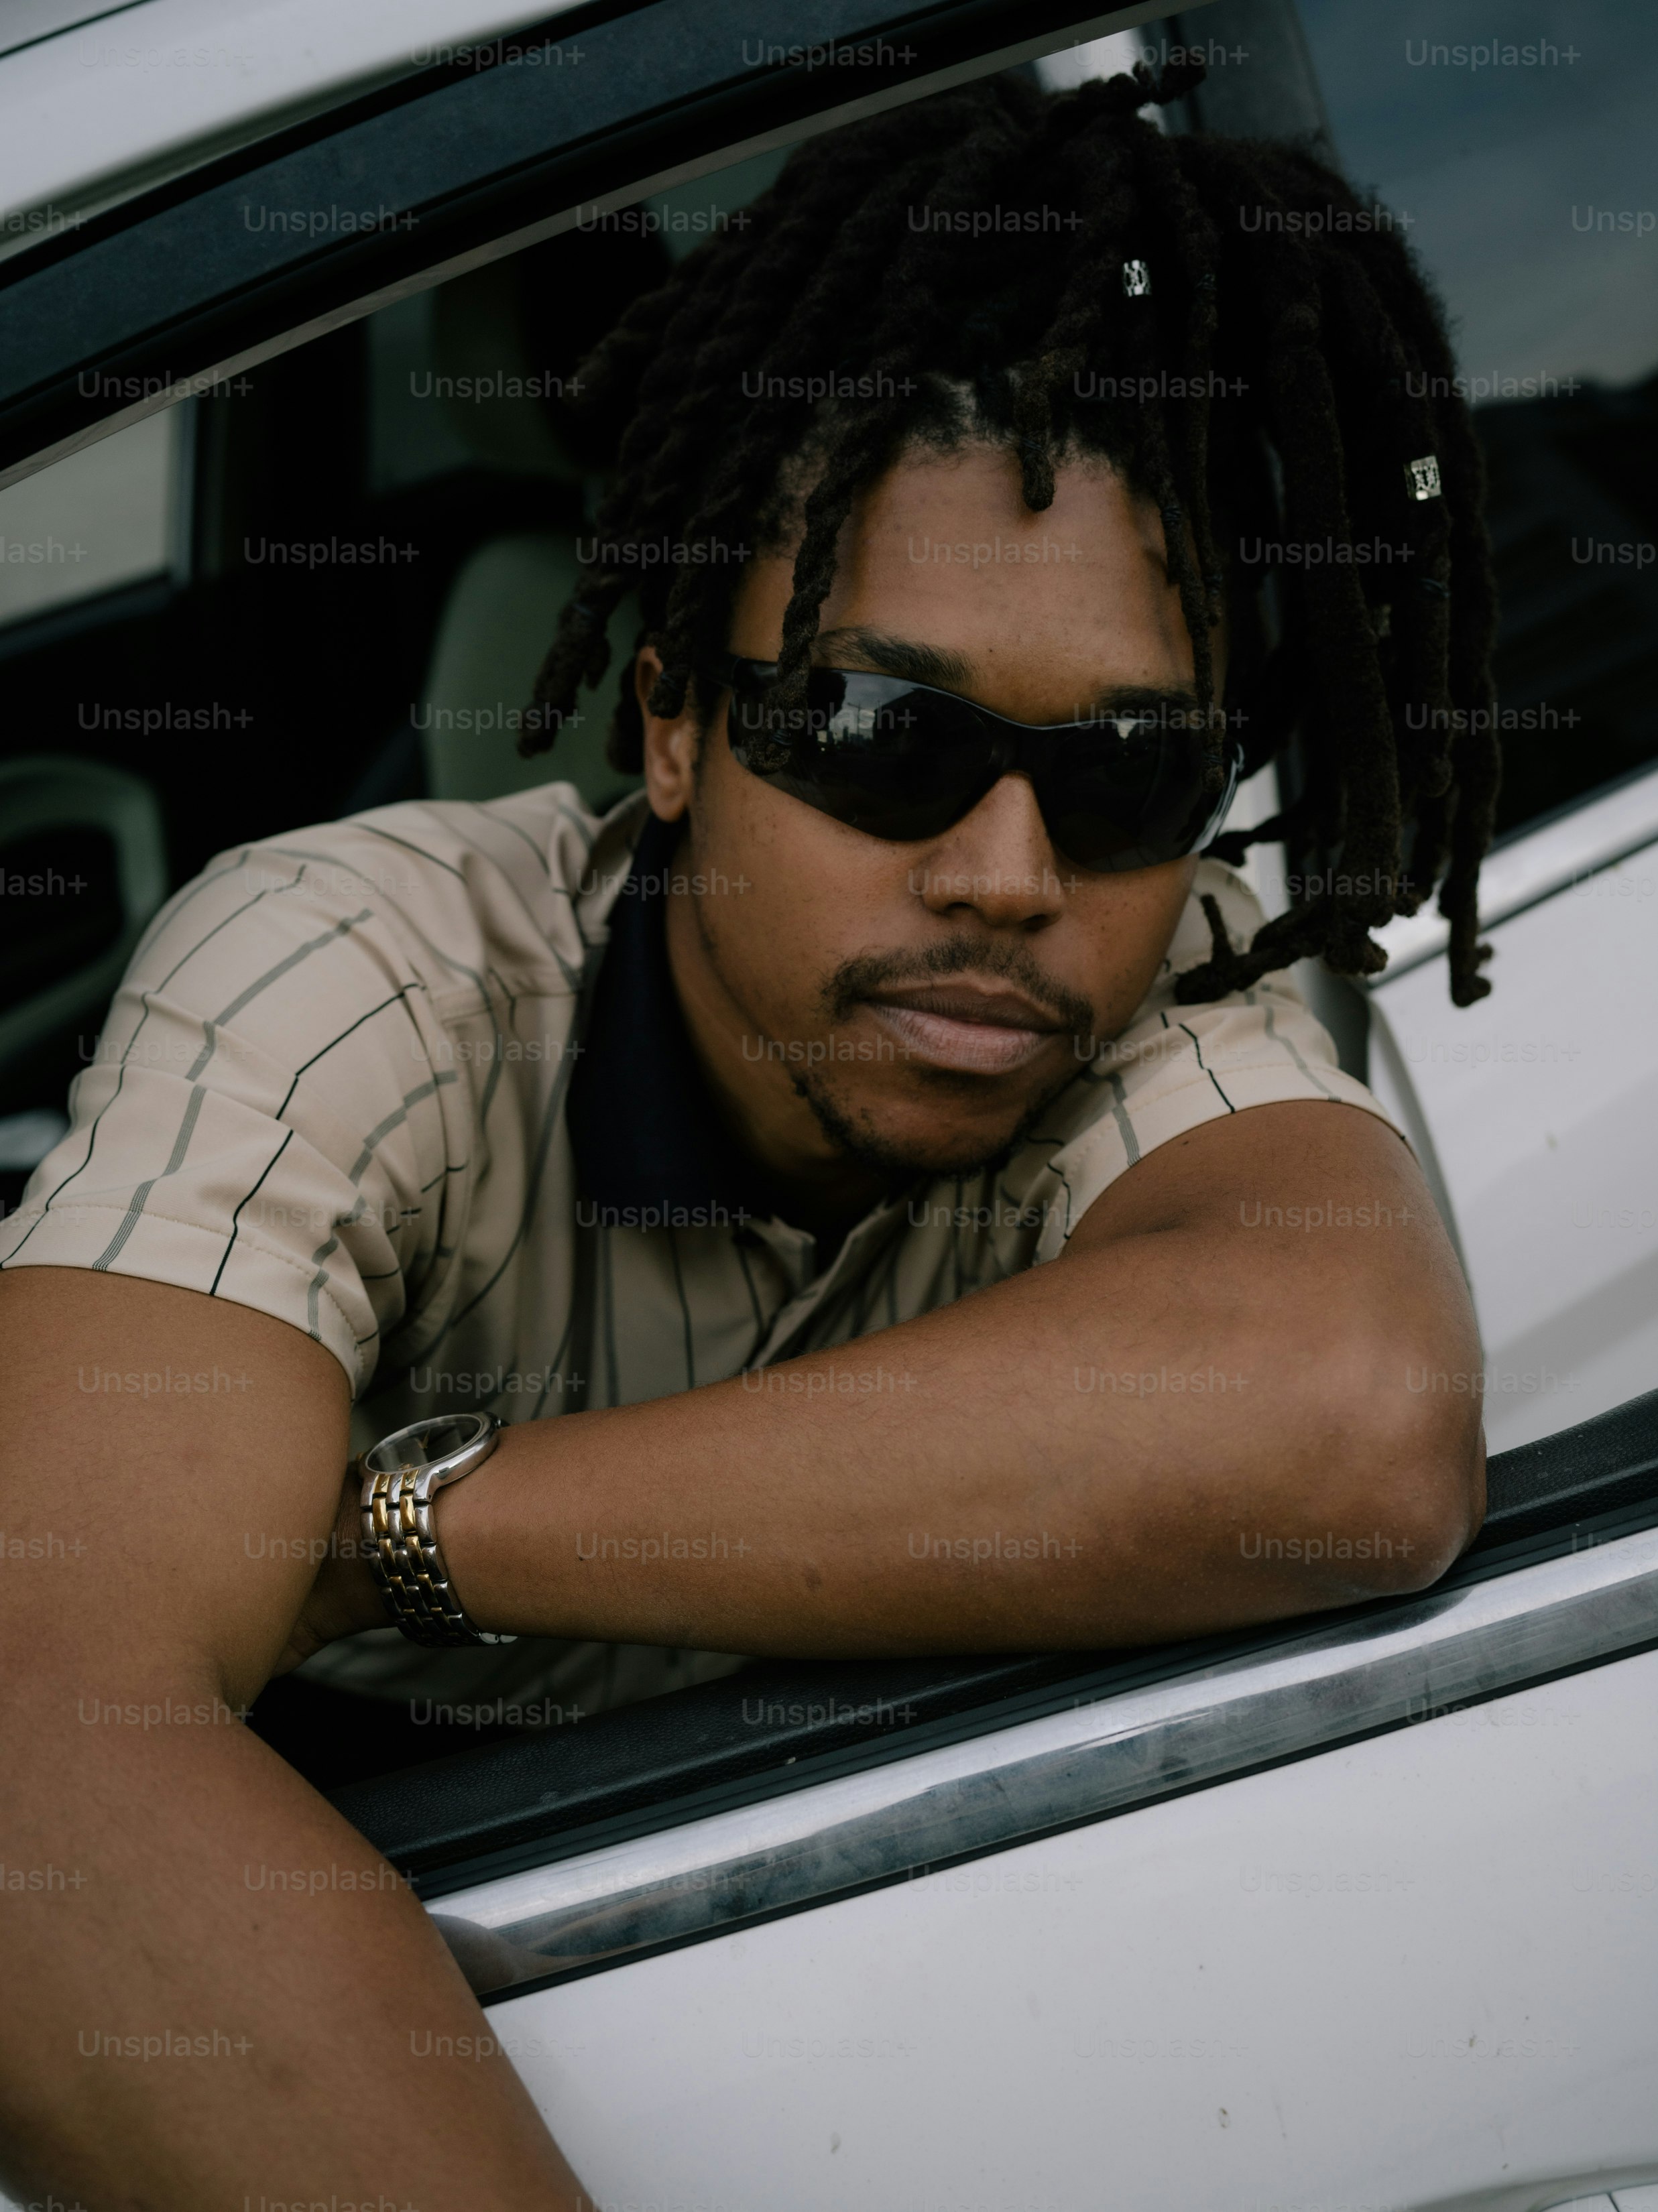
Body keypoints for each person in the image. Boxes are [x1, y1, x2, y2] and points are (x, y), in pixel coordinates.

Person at [0, 64, 1493, 2212]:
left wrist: (375, 1537)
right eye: (888, 733)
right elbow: (44, 1740)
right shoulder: (364, 972)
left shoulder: (1161, 986)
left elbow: (1343, 1405)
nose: (1002, 869)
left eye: (1126, 770)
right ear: (674, 727)